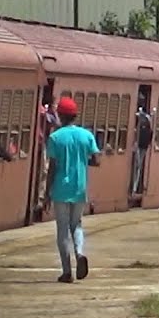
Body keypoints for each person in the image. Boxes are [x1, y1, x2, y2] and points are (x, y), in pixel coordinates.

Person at [45, 96, 100, 283]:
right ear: (75, 115)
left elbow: (52, 167)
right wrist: (83, 160)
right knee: (76, 224)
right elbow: (96, 160)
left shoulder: (55, 137)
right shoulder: (87, 136)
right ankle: (80, 252)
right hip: (80, 186)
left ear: (60, 115)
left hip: (61, 187)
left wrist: (46, 192)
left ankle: (66, 271)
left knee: (62, 228)